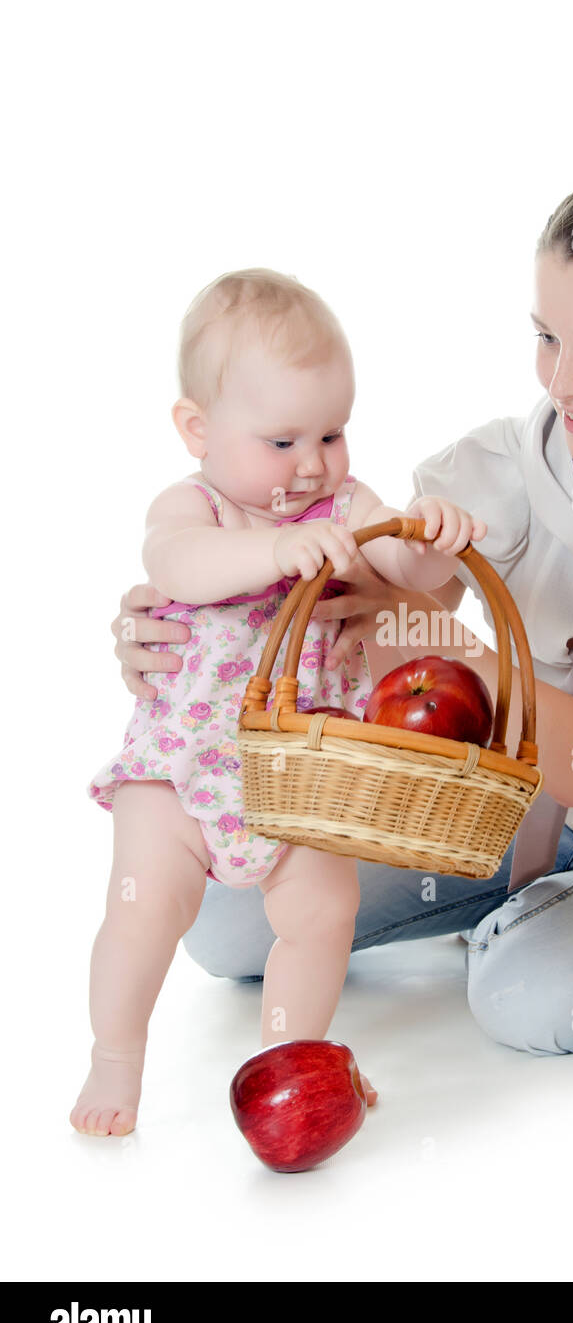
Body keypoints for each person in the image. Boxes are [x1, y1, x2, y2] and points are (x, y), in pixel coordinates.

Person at [112, 163, 573, 1063]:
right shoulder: (513, 464)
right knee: (228, 925)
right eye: (547, 337)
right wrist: (189, 614)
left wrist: (415, 626)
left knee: (526, 995)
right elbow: (373, 622)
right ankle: (529, 900)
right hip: (519, 816)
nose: (563, 381)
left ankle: (552, 927)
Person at [72, 268, 487, 1137]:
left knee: (321, 914)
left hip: (301, 774)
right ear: (198, 430)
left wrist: (431, 538)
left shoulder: (345, 504)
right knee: (144, 909)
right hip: (179, 769)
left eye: (332, 434)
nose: (311, 464)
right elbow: (178, 564)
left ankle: (290, 1063)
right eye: (282, 440)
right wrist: (276, 551)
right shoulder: (196, 507)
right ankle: (114, 1057)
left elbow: (399, 564)